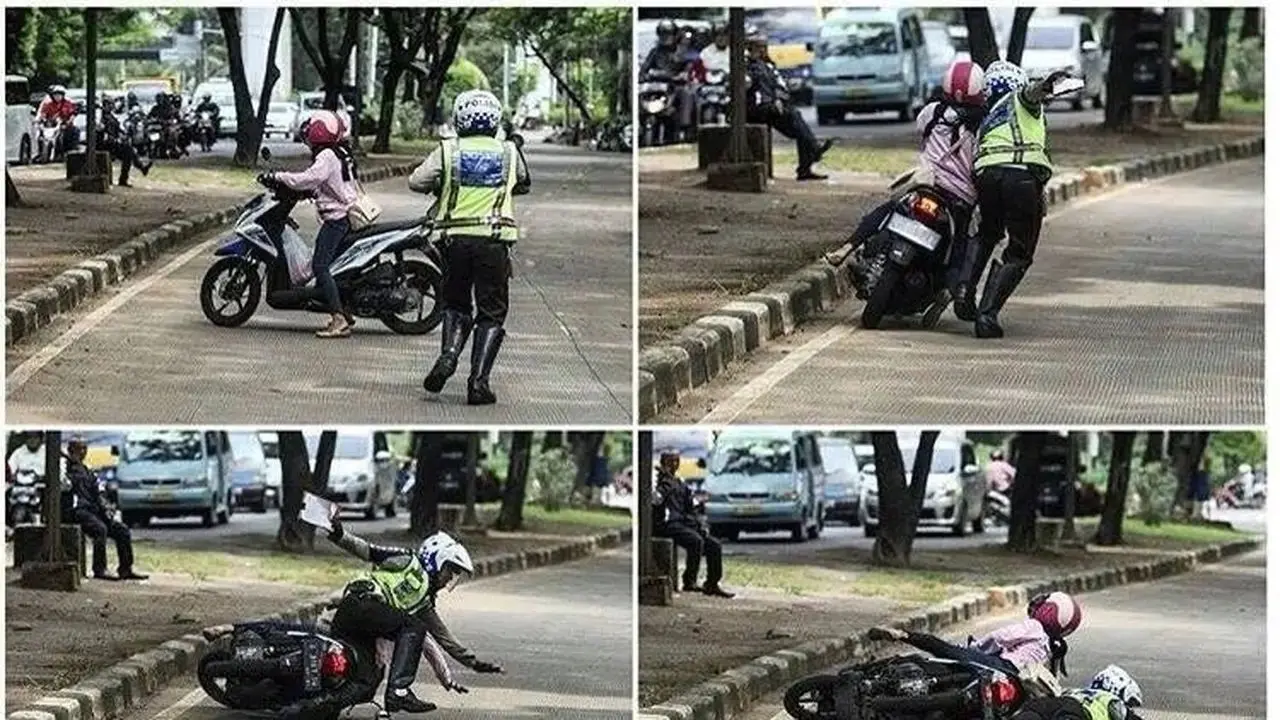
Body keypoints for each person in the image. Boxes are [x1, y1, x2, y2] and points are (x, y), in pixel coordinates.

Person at [411, 90, 530, 405]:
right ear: (494, 119)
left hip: (453, 242)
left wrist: (444, 184)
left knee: (456, 304)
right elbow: (524, 182)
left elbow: (416, 181)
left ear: (459, 118)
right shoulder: (508, 152)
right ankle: (478, 383)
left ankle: (449, 355)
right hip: (493, 243)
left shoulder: (448, 151)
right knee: (491, 312)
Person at [320, 508, 501, 715]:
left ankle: (314, 708)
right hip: (360, 604)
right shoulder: (408, 561)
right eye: (448, 572)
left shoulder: (423, 603)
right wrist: (338, 534)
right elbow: (367, 550)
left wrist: (474, 663)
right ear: (436, 559)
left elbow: (442, 639)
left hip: (363, 628)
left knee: (368, 682)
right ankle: (399, 691)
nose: (448, 581)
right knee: (413, 625)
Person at [848, 59, 987, 312]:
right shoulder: (983, 127)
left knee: (889, 211)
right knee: (960, 247)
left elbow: (921, 130)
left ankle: (850, 246)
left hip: (926, 184)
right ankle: (956, 291)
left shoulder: (932, 112)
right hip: (959, 201)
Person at [954, 62, 1073, 338]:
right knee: (1019, 252)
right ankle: (987, 315)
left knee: (987, 233)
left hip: (987, 177)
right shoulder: (1020, 100)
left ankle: (963, 292)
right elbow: (1031, 93)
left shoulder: (988, 116)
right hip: (1020, 179)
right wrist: (1046, 86)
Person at [265, 110, 358, 338]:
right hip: (344, 214)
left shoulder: (327, 155)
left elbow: (310, 177)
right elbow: (329, 183)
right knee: (326, 266)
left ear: (319, 132)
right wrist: (313, 192)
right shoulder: (340, 152)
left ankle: (338, 319)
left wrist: (281, 177)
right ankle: (342, 310)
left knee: (320, 266)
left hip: (337, 220)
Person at [870, 591, 1080, 676]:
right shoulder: (1054, 646)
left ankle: (902, 636)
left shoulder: (1034, 628)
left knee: (942, 648)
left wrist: (975, 648)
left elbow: (1000, 638)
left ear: (1048, 611)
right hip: (1017, 680)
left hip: (1001, 667)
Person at [745, 31, 832, 180]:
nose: (761, 50)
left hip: (772, 107)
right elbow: (752, 88)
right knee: (792, 116)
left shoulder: (769, 65)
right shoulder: (746, 66)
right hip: (756, 108)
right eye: (758, 47)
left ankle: (805, 166)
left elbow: (779, 86)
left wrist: (779, 98)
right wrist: (772, 100)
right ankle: (814, 150)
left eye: (763, 47)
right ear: (750, 48)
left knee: (795, 117)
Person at [653, 449, 734, 598]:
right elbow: (656, 501)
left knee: (714, 545)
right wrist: (664, 481)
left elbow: (692, 505)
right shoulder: (660, 482)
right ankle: (689, 581)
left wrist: (699, 524)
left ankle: (712, 584)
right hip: (668, 524)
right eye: (671, 461)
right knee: (695, 542)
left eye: (677, 461)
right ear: (663, 463)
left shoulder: (680, 482)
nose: (674, 464)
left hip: (684, 522)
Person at [66, 438, 148, 581]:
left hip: (93, 510)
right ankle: (100, 569)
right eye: (79, 449)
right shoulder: (65, 470)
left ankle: (125, 568)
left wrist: (106, 508)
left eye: (84, 449)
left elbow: (99, 491)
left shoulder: (88, 470)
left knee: (121, 530)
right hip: (77, 511)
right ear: (71, 451)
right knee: (100, 529)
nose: (82, 452)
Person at [1014, 666, 1144, 720]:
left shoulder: (1081, 692)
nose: (1129, 706)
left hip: (1039, 706)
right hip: (1072, 712)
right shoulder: (1111, 701)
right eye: (1130, 702)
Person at [97, 101, 152, 187]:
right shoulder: (101, 117)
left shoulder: (111, 116)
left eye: (110, 104)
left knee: (128, 151)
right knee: (128, 151)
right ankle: (139, 168)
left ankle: (131, 174)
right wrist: (115, 139)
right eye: (108, 105)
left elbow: (118, 129)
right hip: (105, 145)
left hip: (113, 143)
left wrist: (124, 135)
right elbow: (102, 134)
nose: (110, 106)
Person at [37, 84, 80, 150]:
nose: (57, 97)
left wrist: (68, 122)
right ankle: (40, 151)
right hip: (50, 126)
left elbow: (73, 114)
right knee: (39, 136)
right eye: (55, 95)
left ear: (63, 95)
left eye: (59, 95)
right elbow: (43, 114)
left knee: (75, 131)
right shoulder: (48, 104)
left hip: (64, 125)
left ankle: (71, 150)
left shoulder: (67, 103)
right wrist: (41, 120)